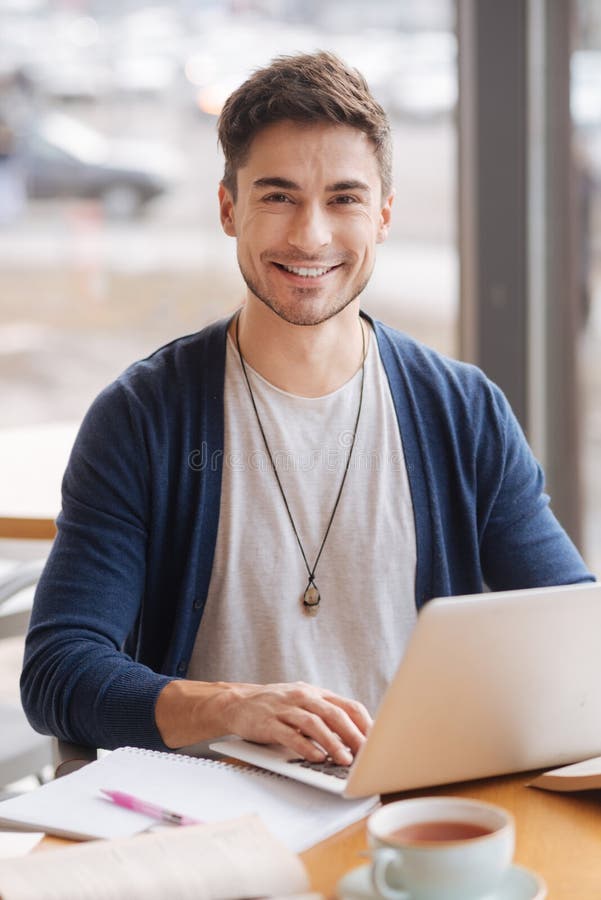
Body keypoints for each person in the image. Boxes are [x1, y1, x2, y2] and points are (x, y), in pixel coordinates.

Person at [21, 51, 593, 764]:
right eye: (278, 196)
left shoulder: (461, 411)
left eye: (344, 198)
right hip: (207, 825)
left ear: (383, 214)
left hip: (408, 811)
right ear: (229, 210)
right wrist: (233, 705)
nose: (310, 236)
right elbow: (58, 673)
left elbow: (573, 637)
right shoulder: (144, 418)